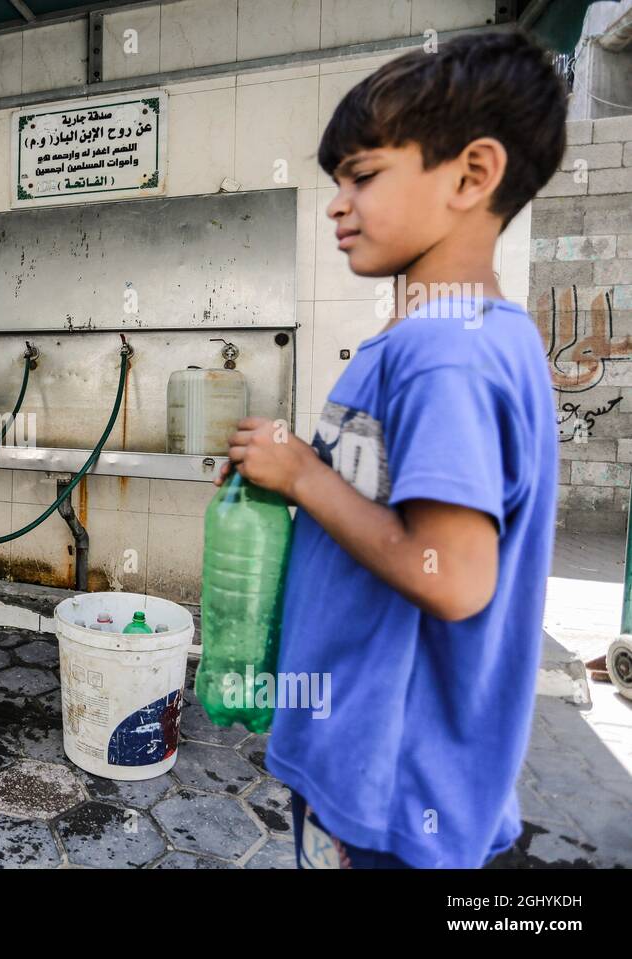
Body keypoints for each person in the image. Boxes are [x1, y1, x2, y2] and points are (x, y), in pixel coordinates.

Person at [217, 29, 566, 868]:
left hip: (401, 791)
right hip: (376, 770)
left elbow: (454, 578)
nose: (337, 203)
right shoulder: (431, 339)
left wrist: (302, 474)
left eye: (363, 176)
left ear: (472, 175)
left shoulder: (450, 351)